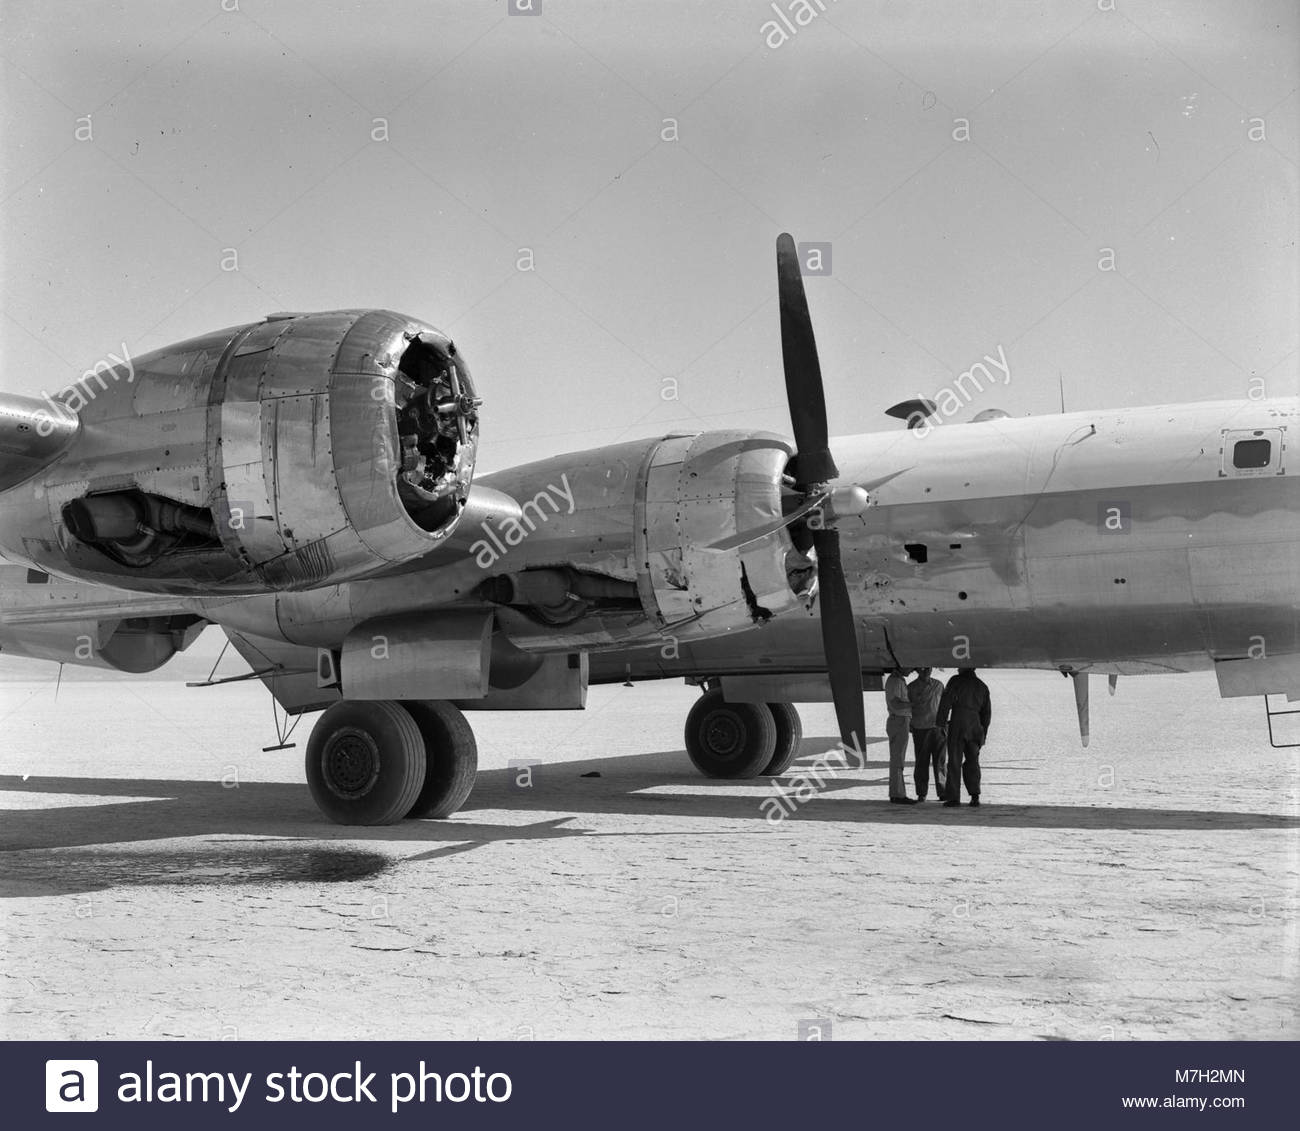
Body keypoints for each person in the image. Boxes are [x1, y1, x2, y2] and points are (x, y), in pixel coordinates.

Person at [936, 667, 991, 807]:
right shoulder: (982, 686)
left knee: (954, 761)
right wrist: (983, 733)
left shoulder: (955, 681)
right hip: (975, 726)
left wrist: (940, 723)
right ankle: (975, 795)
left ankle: (953, 797)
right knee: (973, 761)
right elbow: (986, 714)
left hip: (958, 724)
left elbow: (945, 702)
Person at [907, 667, 947, 801]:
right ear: (918, 670)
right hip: (920, 729)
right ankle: (921, 793)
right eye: (923, 668)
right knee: (921, 762)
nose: (927, 671)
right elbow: (907, 708)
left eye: (929, 668)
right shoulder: (911, 688)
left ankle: (942, 792)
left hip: (937, 729)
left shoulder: (938, 685)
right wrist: (909, 724)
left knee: (940, 762)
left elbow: (945, 705)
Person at [884, 667, 916, 804]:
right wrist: (914, 705)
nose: (912, 670)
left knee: (898, 758)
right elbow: (895, 704)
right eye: (911, 667)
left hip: (901, 720)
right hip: (899, 719)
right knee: (897, 759)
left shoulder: (899, 680)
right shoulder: (895, 681)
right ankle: (897, 794)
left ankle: (898, 792)